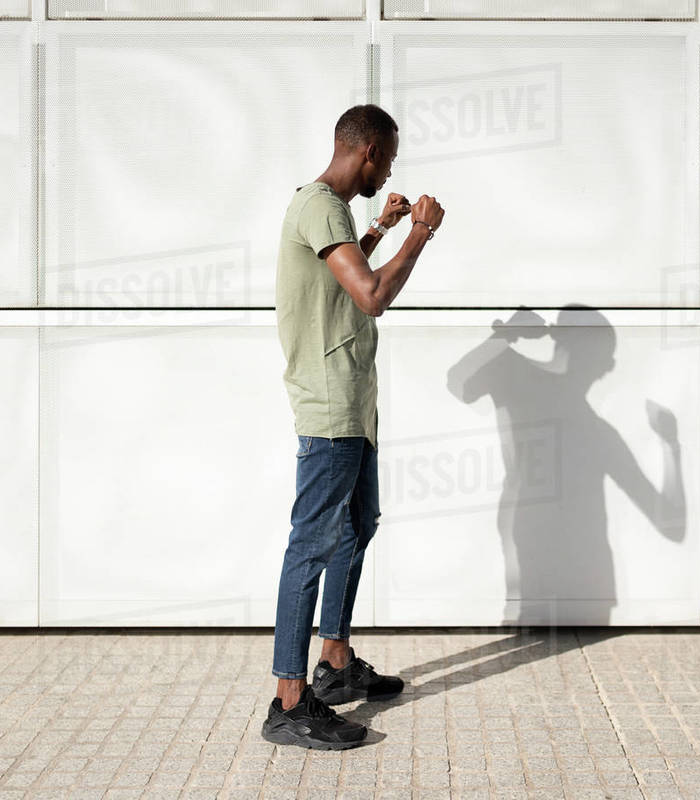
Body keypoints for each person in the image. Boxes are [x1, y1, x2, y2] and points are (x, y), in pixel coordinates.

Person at [264, 104, 446, 750]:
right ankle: (289, 700)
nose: (389, 171)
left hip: (352, 405)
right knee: (310, 544)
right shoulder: (320, 205)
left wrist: (381, 229)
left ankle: (335, 663)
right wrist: (419, 234)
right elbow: (370, 296)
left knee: (356, 526)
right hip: (328, 405)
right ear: (367, 153)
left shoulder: (333, 216)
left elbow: (336, 278)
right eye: (388, 161)